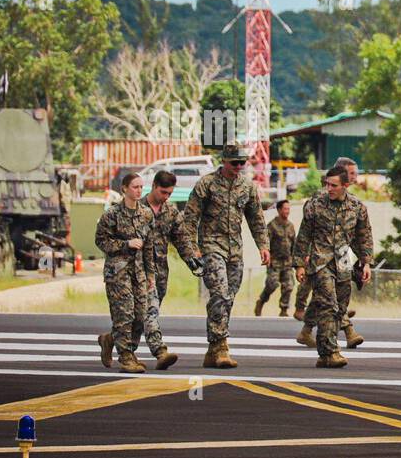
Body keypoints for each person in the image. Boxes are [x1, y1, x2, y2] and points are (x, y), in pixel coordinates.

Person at [176, 144, 270, 369]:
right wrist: (192, 249)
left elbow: (256, 218)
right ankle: (220, 347)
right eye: (234, 163)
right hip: (211, 247)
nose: (238, 167)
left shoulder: (247, 186)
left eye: (242, 163)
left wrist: (263, 246)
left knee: (228, 297)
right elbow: (190, 218)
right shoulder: (206, 184)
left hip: (235, 250)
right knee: (219, 293)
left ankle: (212, 350)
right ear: (224, 161)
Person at [294, 166, 373, 368]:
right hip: (320, 262)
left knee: (340, 309)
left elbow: (363, 237)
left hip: (343, 262)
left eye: (334, 185)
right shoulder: (315, 204)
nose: (329, 188)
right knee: (328, 305)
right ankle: (330, 352)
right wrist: (299, 264)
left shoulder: (357, 207)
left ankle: (323, 353)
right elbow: (304, 236)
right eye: (327, 184)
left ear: (345, 185)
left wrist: (366, 263)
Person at [95, 172, 155, 374]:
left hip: (138, 272)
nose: (139, 191)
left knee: (140, 316)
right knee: (124, 315)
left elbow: (149, 246)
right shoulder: (111, 214)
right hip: (118, 272)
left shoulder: (146, 214)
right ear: (124, 189)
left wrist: (150, 274)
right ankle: (126, 357)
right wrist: (125, 244)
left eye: (141, 187)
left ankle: (110, 339)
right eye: (135, 187)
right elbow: (101, 241)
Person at [140, 169, 181, 368]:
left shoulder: (171, 211)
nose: (166, 197)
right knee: (151, 310)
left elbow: (181, 239)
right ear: (154, 186)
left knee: (142, 315)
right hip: (139, 271)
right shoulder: (136, 209)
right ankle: (160, 352)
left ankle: (112, 339)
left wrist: (193, 259)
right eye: (163, 192)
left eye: (169, 194)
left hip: (161, 271)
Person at [256, 199, 296, 317]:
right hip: (275, 262)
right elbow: (266, 243)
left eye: (288, 209)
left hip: (287, 262)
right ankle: (261, 301)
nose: (287, 211)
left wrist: (297, 261)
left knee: (289, 286)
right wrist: (267, 257)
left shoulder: (291, 226)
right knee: (272, 284)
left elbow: (294, 244)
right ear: (279, 210)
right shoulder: (272, 226)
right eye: (285, 209)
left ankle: (283, 310)